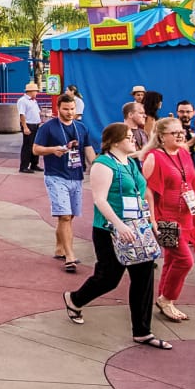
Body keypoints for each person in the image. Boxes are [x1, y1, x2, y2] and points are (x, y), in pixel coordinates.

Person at [63, 122, 172, 349]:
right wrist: (119, 225)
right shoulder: (103, 164)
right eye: (128, 136)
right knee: (109, 278)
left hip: (137, 227)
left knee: (144, 277)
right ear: (114, 142)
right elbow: (99, 199)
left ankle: (142, 331)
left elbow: (142, 193)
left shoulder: (130, 162)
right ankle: (74, 299)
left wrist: (150, 220)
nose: (133, 139)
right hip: (110, 230)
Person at [143, 116, 195, 322]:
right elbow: (147, 191)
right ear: (161, 136)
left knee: (172, 259)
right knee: (185, 260)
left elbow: (193, 185)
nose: (179, 135)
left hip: (186, 216)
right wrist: (152, 219)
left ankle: (164, 298)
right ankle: (167, 299)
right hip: (166, 218)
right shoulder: (154, 157)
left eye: (181, 132)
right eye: (174, 133)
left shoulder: (184, 153)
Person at [32, 92, 95, 273]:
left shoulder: (81, 128)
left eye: (72, 109)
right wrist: (53, 150)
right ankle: (70, 255)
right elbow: (35, 149)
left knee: (69, 216)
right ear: (58, 108)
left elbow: (89, 150)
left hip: (76, 176)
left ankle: (60, 247)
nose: (69, 112)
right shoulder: (48, 127)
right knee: (65, 216)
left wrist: (98, 166)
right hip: (56, 176)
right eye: (66, 109)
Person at [16, 82, 42, 173]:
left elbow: (38, 112)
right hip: (29, 124)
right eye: (36, 91)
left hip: (36, 124)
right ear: (31, 91)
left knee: (36, 144)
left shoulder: (34, 101)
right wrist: (25, 127)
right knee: (27, 146)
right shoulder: (22, 101)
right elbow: (22, 114)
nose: (37, 93)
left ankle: (34, 164)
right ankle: (24, 166)